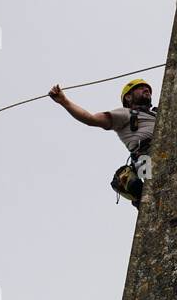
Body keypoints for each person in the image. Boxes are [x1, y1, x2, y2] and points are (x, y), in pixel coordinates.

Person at [48, 77, 158, 208]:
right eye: (140, 88)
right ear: (128, 97)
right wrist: (64, 102)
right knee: (157, 189)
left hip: (161, 148)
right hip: (145, 157)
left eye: (148, 89)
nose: (146, 89)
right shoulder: (125, 113)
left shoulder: (157, 114)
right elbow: (91, 119)